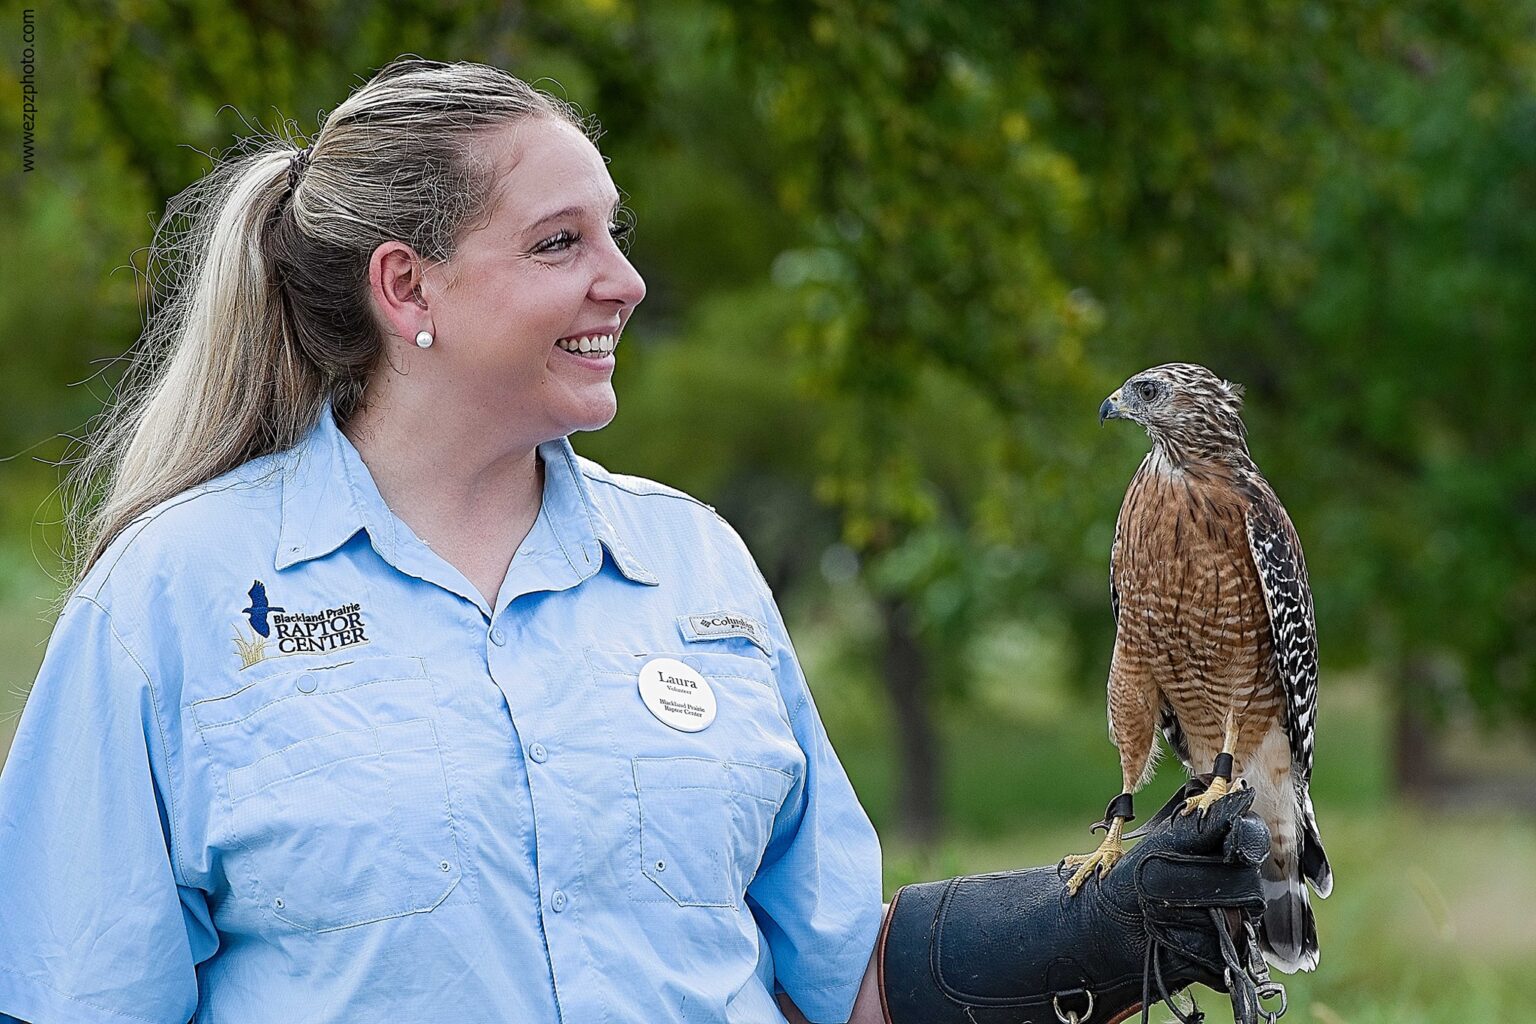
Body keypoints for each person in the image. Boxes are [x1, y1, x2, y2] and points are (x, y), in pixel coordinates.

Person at [0, 58, 1272, 1024]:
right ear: (405, 287)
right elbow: (73, 990)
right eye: (561, 243)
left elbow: (838, 980)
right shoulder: (173, 598)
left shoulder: (697, 569)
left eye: (617, 232)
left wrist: (1093, 931)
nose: (625, 279)